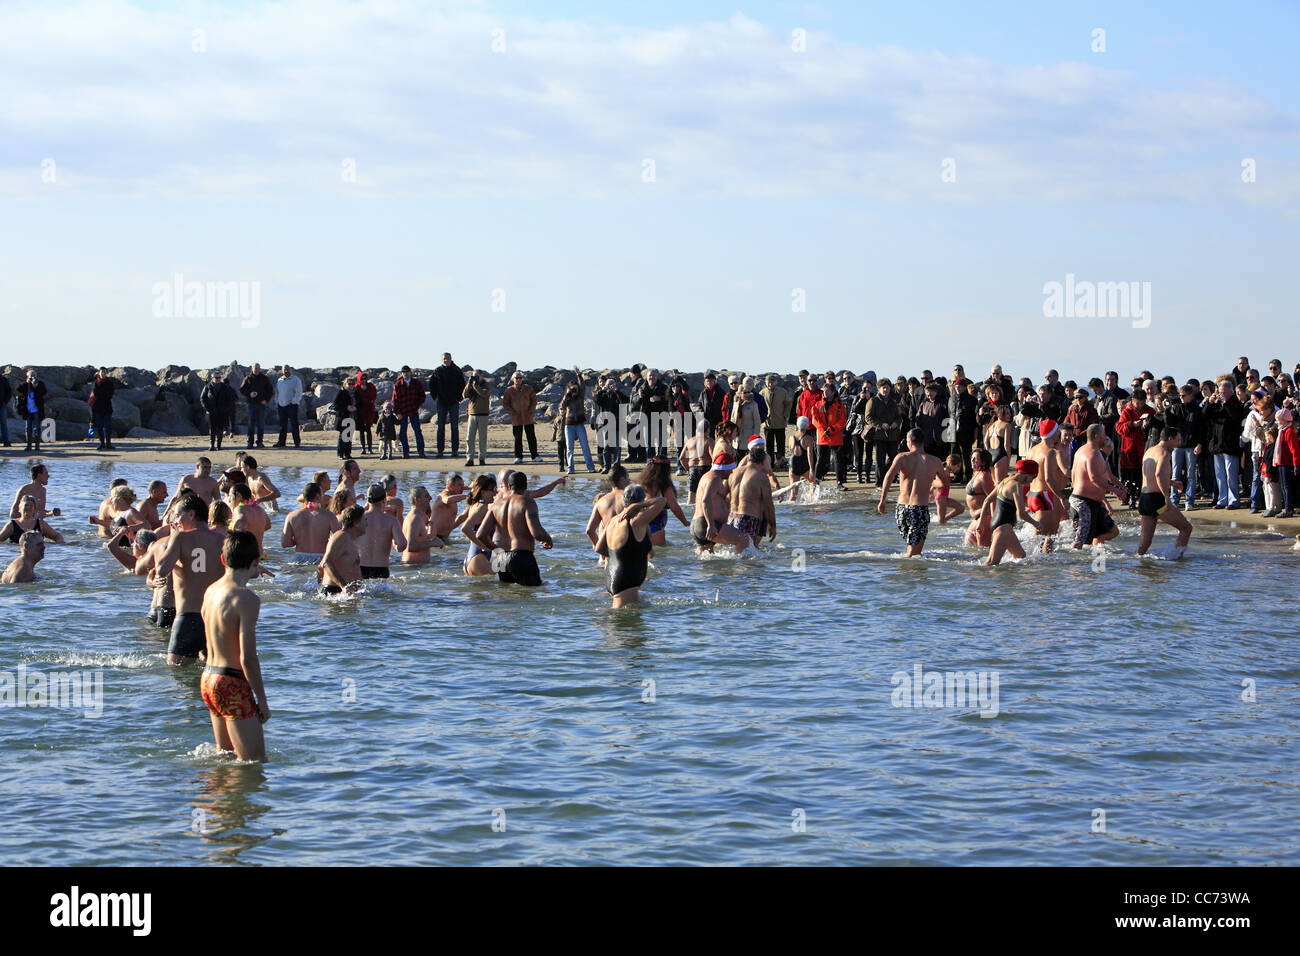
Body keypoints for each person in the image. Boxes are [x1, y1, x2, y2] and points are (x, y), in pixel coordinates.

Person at [199, 530, 271, 761]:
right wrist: (262, 700)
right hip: (231, 682)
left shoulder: (210, 591)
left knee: (225, 758)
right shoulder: (247, 599)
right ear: (255, 563)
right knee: (253, 765)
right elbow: (247, 657)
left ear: (223, 559)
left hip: (209, 679)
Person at [154, 494, 227, 664]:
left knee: (177, 673)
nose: (176, 520)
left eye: (178, 515)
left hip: (189, 618)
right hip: (215, 618)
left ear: (191, 515)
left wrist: (172, 544)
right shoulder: (222, 540)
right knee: (210, 673)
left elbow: (162, 569)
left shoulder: (181, 538)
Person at [470, 470, 553, 586]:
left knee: (505, 595)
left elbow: (480, 534)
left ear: (509, 486)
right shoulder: (527, 502)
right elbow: (537, 533)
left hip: (499, 556)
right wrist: (548, 539)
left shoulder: (496, 505)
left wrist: (495, 549)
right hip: (521, 555)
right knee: (531, 594)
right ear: (526, 486)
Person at [877, 428, 945, 557]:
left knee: (911, 547)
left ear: (910, 441)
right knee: (914, 554)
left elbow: (888, 477)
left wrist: (882, 501)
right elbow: (944, 483)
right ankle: (910, 575)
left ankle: (905, 574)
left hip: (901, 509)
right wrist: (929, 481)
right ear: (922, 442)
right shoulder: (934, 461)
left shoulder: (902, 457)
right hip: (919, 508)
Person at [596, 485, 667, 607]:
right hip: (625, 583)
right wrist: (638, 506)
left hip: (614, 578)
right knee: (621, 621)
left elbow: (599, 548)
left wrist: (621, 556)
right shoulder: (635, 522)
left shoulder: (613, 520)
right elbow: (662, 501)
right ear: (642, 501)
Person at [1135, 427, 1194, 557]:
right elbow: (1158, 474)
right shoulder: (1164, 453)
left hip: (1144, 499)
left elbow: (1151, 475)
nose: (1178, 444)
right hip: (1156, 500)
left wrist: (1172, 483)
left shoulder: (1150, 450)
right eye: (1177, 441)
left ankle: (1137, 566)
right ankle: (1179, 561)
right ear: (1169, 439)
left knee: (1144, 544)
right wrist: (1166, 496)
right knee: (1186, 528)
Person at [975, 459, 1042, 566]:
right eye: (1033, 477)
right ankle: (976, 580)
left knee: (1021, 557)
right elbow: (1021, 514)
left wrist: (981, 522)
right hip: (1003, 527)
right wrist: (1036, 524)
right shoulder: (1017, 485)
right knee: (991, 563)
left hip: (1003, 526)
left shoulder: (1005, 481)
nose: (1032, 481)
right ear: (1027, 473)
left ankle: (1010, 582)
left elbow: (987, 500)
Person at [1069, 424, 1125, 549]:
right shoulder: (1092, 453)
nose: (1106, 437)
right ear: (1096, 436)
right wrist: (1115, 489)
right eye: (1104, 434)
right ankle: (1071, 567)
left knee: (1108, 531)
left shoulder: (1082, 450)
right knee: (1080, 543)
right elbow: (1094, 478)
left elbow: (1073, 476)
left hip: (1091, 502)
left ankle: (1096, 561)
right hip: (1083, 504)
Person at [1024, 419, 1070, 550]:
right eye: (1057, 431)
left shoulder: (1032, 450)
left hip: (1032, 495)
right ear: (1053, 433)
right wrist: (1062, 497)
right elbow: (1049, 479)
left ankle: (1039, 569)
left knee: (1039, 539)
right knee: (1049, 537)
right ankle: (1043, 569)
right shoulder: (1050, 452)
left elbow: (1025, 476)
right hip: (1046, 496)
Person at [1203, 376, 1247, 509]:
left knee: (1231, 476)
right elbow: (1204, 416)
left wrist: (1226, 403)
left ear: (1231, 392)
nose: (1221, 395)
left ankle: (1233, 500)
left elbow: (1236, 417)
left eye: (1224, 392)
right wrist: (1209, 403)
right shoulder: (1216, 404)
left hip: (1230, 445)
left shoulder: (1236, 404)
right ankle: (1222, 500)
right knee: (1220, 476)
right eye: (1220, 392)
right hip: (1217, 445)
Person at [727, 446, 777, 552]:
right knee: (747, 558)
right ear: (763, 461)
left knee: (732, 553)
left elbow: (726, 497)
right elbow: (768, 505)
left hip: (731, 517)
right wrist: (773, 525)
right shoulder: (761, 477)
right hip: (748, 519)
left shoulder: (733, 472)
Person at [357, 483, 407, 578]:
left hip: (360, 568)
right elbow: (402, 546)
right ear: (384, 500)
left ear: (368, 501)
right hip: (381, 569)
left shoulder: (358, 518)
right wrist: (394, 544)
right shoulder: (391, 520)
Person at [637, 457, 689, 546]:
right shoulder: (664, 485)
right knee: (658, 554)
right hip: (655, 523)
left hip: (638, 522)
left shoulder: (640, 483)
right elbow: (675, 508)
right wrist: (685, 522)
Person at [319, 504, 367, 595]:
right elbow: (326, 562)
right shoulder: (341, 537)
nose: (367, 524)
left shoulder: (350, 539)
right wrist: (344, 586)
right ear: (356, 523)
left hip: (343, 593)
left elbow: (320, 566)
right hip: (335, 592)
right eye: (365, 520)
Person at [584, 465, 632, 554]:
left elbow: (589, 531)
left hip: (609, 550)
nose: (630, 481)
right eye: (628, 477)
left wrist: (601, 549)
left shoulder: (600, 502)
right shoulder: (630, 498)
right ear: (622, 479)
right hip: (627, 552)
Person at [281, 483, 338, 557]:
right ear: (318, 496)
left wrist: (299, 540)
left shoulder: (291, 516)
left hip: (299, 558)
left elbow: (285, 543)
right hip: (320, 558)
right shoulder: (329, 516)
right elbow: (339, 539)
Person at [811, 381, 848, 487]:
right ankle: (816, 481)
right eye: (824, 391)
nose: (825, 393)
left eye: (827, 391)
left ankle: (839, 482)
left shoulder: (840, 406)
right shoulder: (817, 405)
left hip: (835, 436)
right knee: (820, 460)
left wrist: (831, 429)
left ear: (833, 392)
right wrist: (824, 430)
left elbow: (842, 421)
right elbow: (815, 420)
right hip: (822, 436)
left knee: (838, 460)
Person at [428, 353, 465, 459]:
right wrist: (434, 396)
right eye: (444, 359)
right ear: (442, 360)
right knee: (440, 427)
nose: (446, 360)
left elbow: (462, 385)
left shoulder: (457, 370)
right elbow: (432, 385)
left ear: (451, 359)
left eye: (447, 358)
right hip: (441, 402)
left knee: (454, 427)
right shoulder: (437, 371)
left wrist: (459, 398)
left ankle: (455, 451)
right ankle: (440, 451)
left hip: (454, 402)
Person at [460, 475, 498, 576]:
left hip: (472, 558)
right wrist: (482, 546)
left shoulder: (474, 505)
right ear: (483, 492)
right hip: (479, 558)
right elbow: (465, 528)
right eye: (492, 490)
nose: (495, 493)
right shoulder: (483, 508)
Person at [560, 367, 596, 473]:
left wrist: (579, 375)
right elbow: (562, 406)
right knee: (569, 447)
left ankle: (591, 467)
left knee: (585, 446)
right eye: (573, 389)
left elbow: (582, 385)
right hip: (569, 424)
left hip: (579, 424)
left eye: (576, 388)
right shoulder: (567, 397)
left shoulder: (580, 396)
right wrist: (567, 395)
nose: (575, 390)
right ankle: (570, 468)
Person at [503, 371, 540, 465]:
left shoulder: (528, 389)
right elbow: (506, 404)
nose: (518, 379)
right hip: (516, 419)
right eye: (516, 378)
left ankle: (535, 456)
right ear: (513, 379)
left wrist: (531, 410)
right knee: (517, 438)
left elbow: (534, 400)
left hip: (528, 417)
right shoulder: (509, 391)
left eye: (520, 378)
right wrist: (512, 413)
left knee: (531, 437)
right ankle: (518, 457)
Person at [401, 486, 444, 564]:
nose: (430, 498)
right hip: (414, 568)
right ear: (417, 500)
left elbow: (418, 539)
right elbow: (411, 547)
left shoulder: (416, 517)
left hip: (418, 568)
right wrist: (433, 543)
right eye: (426, 496)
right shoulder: (415, 519)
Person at [963, 448, 995, 548]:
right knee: (970, 543)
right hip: (977, 518)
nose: (972, 460)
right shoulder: (977, 473)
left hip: (984, 518)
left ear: (983, 462)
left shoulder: (985, 476)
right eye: (971, 458)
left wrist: (994, 521)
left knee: (983, 549)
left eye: (975, 459)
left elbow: (993, 499)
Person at [393, 366, 427, 459]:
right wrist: (397, 412)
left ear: (410, 372)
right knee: (403, 432)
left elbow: (422, 396)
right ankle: (405, 452)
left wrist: (418, 405)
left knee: (417, 431)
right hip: (402, 411)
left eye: (407, 371)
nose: (405, 373)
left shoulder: (416, 383)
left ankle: (421, 451)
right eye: (404, 372)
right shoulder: (398, 384)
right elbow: (395, 401)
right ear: (401, 373)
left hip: (413, 410)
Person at [200, 370, 237, 451]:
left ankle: (219, 445)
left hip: (222, 412)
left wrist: (226, 409)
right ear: (212, 378)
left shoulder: (225, 387)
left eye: (219, 377)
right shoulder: (207, 387)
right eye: (216, 378)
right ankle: (212, 445)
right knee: (212, 429)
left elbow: (230, 399)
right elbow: (202, 398)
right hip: (211, 412)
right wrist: (207, 409)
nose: (218, 379)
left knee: (220, 429)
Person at [229, 483, 271, 552]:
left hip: (245, 556)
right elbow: (268, 525)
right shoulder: (260, 509)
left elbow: (242, 522)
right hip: (259, 555)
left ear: (239, 496)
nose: (229, 500)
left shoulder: (239, 509)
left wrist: (228, 532)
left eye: (230, 496)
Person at [239, 363, 272, 448]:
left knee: (261, 424)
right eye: (255, 368)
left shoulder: (264, 378)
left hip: (261, 404)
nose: (256, 369)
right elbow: (242, 390)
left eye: (258, 368)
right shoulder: (248, 378)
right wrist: (249, 394)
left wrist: (266, 400)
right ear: (252, 369)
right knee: (251, 424)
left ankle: (259, 442)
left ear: (260, 369)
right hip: (251, 404)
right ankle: (250, 442)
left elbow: (270, 391)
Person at [679, 420, 712, 504]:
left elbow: (681, 458)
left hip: (692, 468)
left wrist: (688, 469)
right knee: (706, 495)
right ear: (707, 429)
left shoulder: (689, 441)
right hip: (705, 468)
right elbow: (714, 457)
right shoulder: (709, 441)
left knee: (691, 499)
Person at [463, 368, 491, 466]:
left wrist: (476, 385)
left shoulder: (486, 385)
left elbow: (483, 394)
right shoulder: (471, 385)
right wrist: (469, 384)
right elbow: (464, 395)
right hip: (472, 414)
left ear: (481, 376)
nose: (475, 377)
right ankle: (469, 459)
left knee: (482, 438)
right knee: (470, 438)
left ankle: (482, 458)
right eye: (474, 375)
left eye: (477, 376)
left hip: (483, 414)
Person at [430, 474, 469, 545]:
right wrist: (468, 496)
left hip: (444, 538)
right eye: (460, 485)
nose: (462, 488)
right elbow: (447, 500)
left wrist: (472, 488)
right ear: (450, 486)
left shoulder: (454, 495)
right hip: (433, 538)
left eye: (463, 485)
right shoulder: (443, 495)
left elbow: (461, 517)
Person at [273, 364, 303, 448]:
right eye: (284, 369)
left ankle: (297, 442)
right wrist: (277, 401)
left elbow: (299, 392)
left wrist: (294, 402)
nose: (286, 371)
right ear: (282, 371)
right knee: (282, 425)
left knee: (294, 424)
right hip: (281, 405)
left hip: (292, 405)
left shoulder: (295, 380)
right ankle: (281, 442)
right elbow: (277, 392)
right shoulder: (280, 380)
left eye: (287, 369)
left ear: (291, 370)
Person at [16, 369, 46, 452]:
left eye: (34, 376)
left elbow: (44, 392)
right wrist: (27, 383)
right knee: (28, 428)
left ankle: (37, 446)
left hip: (37, 409)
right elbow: (18, 389)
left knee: (37, 428)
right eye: (31, 376)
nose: (33, 378)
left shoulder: (40, 384)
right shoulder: (25, 384)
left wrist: (35, 385)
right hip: (28, 410)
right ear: (27, 376)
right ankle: (28, 445)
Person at [89, 367, 117, 450]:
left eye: (104, 372)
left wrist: (103, 395)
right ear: (98, 373)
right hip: (97, 408)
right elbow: (95, 394)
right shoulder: (96, 383)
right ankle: (102, 444)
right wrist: (103, 394)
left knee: (108, 427)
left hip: (107, 408)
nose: (103, 374)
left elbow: (110, 394)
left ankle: (108, 444)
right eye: (101, 372)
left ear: (107, 373)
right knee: (100, 427)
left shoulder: (110, 382)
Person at [934, 454, 965, 524]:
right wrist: (931, 488)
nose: (958, 469)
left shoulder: (946, 471)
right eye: (958, 466)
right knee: (941, 521)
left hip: (944, 497)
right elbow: (938, 480)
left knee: (961, 508)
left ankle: (945, 519)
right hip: (941, 498)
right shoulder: (945, 471)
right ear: (951, 464)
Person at [353, 371, 377, 456]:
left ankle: (370, 448)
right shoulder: (357, 387)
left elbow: (374, 395)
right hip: (360, 411)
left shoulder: (370, 386)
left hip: (369, 411)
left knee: (368, 430)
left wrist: (371, 401)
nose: (363, 380)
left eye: (365, 378)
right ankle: (363, 448)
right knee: (361, 431)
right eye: (362, 378)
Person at [0, 371, 11, 447]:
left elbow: (9, 391)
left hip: (2, 405)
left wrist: (5, 402)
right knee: (4, 424)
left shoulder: (3, 379)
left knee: (3, 424)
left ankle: (6, 442)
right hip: (2, 404)